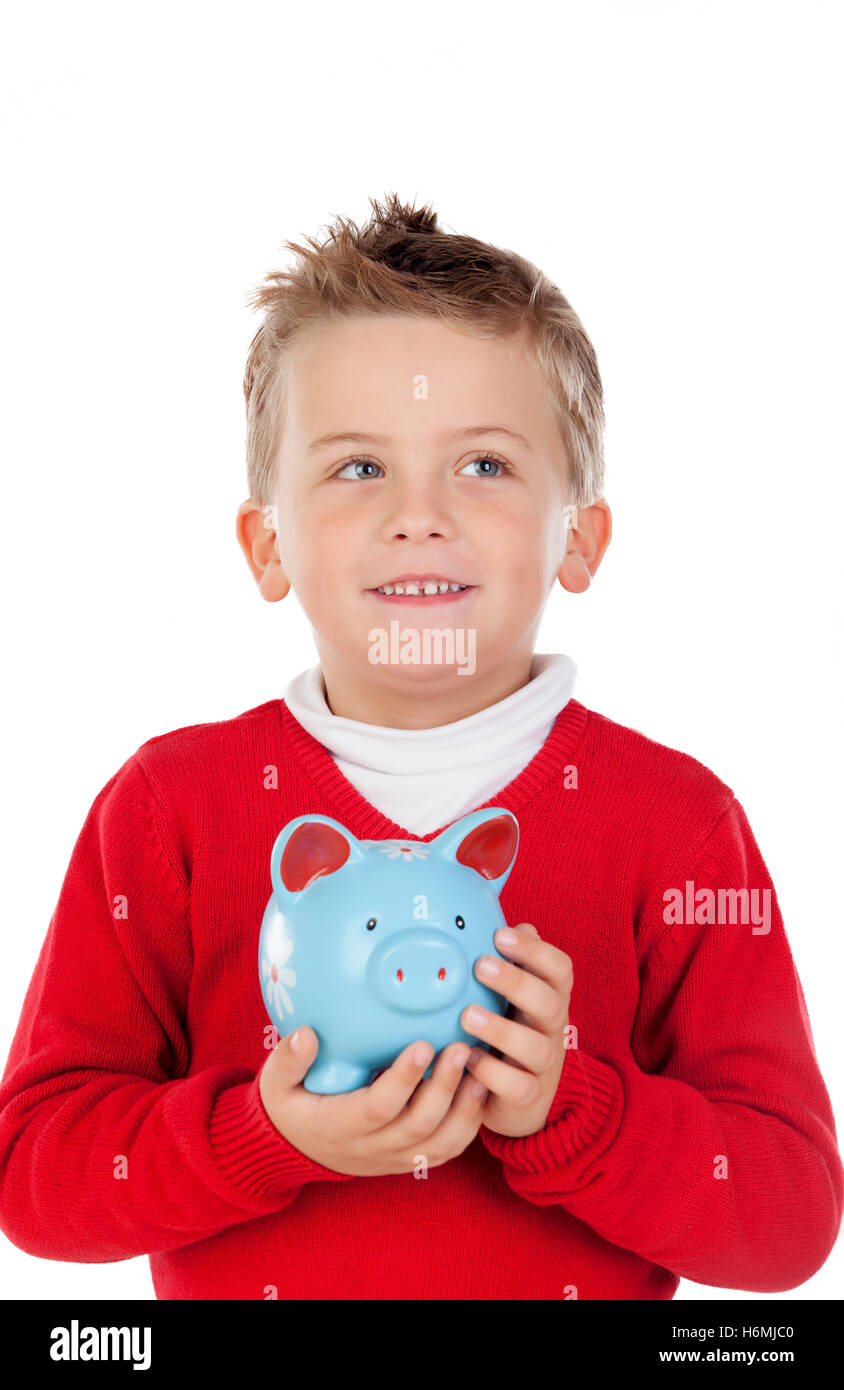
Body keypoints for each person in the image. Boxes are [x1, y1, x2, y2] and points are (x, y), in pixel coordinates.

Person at [0, 193, 840, 1300]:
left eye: (484, 466)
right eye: (358, 468)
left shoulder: (679, 822)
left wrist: (570, 1112)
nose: (419, 515)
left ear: (577, 538)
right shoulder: (167, 807)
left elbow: (787, 1222)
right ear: (268, 546)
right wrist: (264, 1135)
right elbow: (35, 1178)